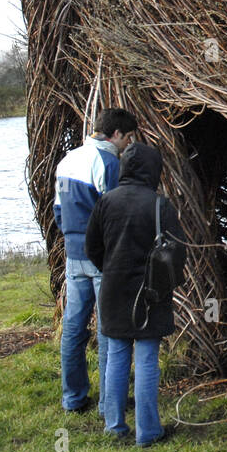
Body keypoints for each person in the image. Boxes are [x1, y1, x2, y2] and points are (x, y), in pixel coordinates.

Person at [85, 141, 186, 446]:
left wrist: (110, 268)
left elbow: (92, 247)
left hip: (113, 291)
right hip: (151, 294)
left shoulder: (106, 202)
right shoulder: (160, 205)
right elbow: (178, 251)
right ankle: (148, 432)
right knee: (145, 360)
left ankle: (114, 426)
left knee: (116, 357)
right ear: (153, 170)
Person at [53, 107, 138, 413]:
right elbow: (114, 212)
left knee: (74, 327)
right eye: (128, 137)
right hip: (103, 257)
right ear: (115, 134)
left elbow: (59, 212)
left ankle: (73, 398)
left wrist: (75, 240)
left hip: (74, 255)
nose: (129, 144)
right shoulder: (108, 162)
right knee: (108, 328)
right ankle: (108, 402)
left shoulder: (67, 160)